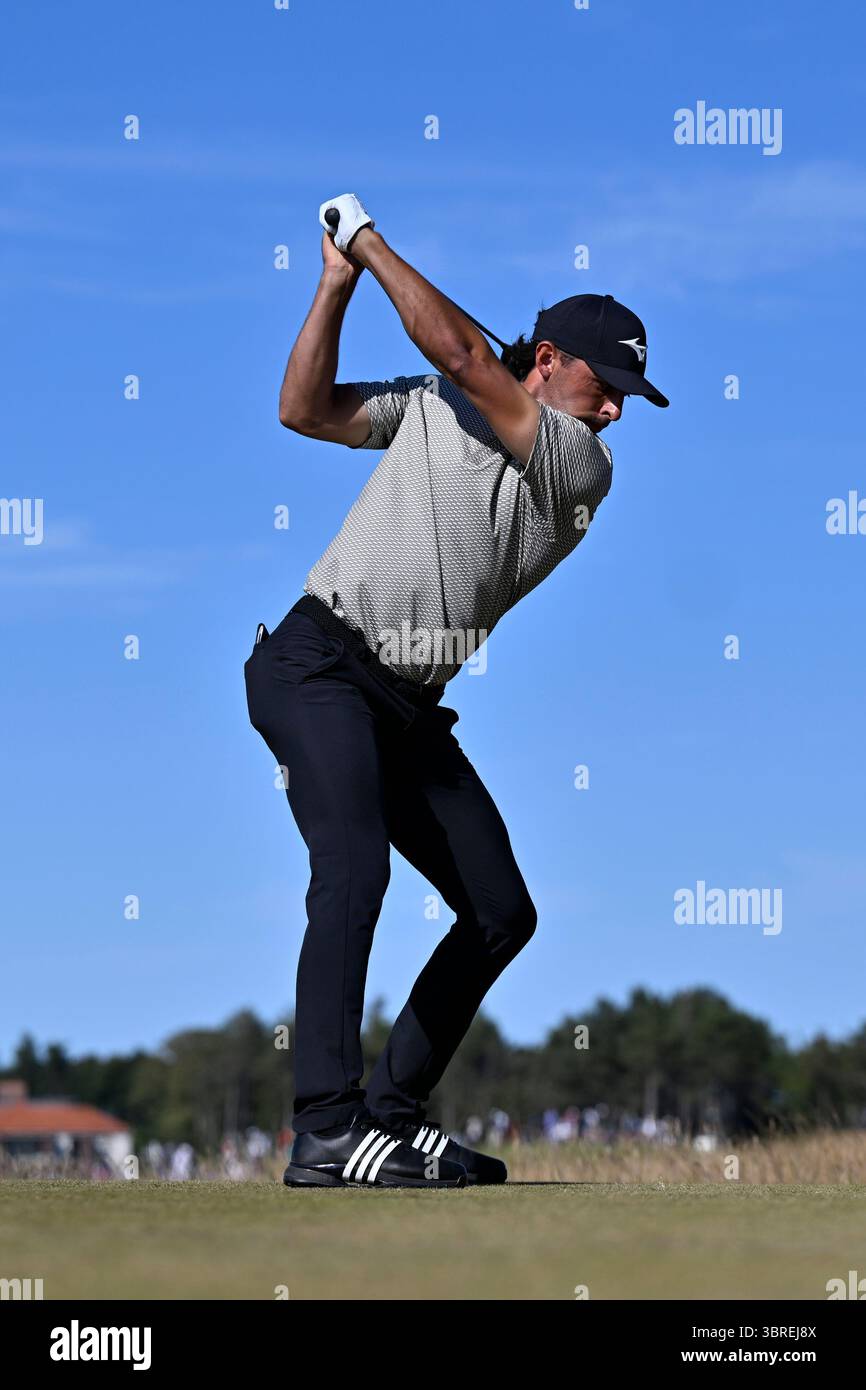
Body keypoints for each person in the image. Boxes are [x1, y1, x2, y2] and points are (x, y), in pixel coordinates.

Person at [244, 193, 669, 1189]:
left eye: (625, 399)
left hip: (402, 706)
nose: (614, 411)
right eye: (605, 385)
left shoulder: (578, 467)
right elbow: (302, 409)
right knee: (353, 867)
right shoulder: (435, 407)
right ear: (552, 362)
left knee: (497, 910)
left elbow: (468, 362)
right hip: (317, 666)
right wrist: (334, 285)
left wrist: (371, 239)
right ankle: (326, 1128)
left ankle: (388, 1115)